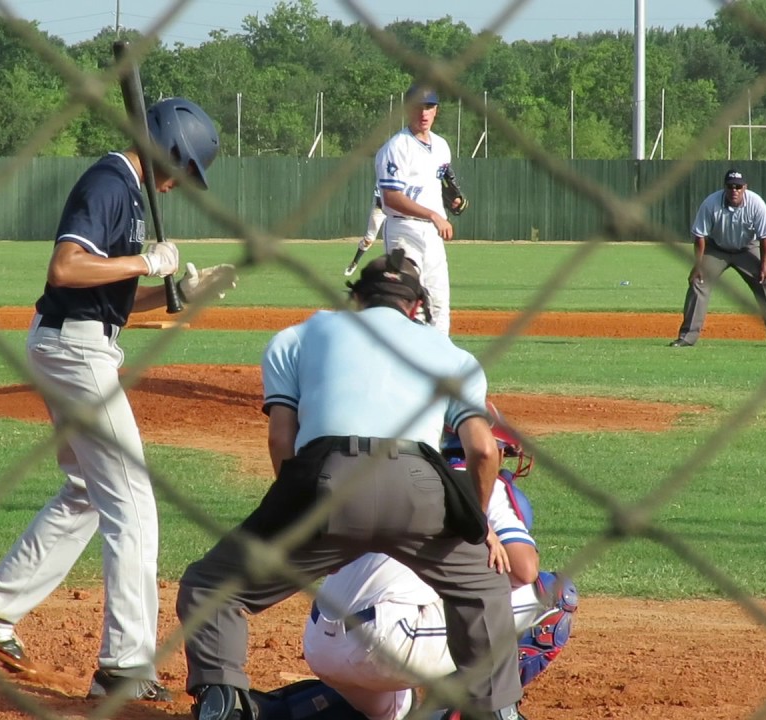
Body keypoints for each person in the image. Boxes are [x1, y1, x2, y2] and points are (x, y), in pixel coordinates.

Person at [0, 97, 235, 703]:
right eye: (181, 169)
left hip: (80, 343)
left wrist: (178, 294)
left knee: (87, 493)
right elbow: (66, 268)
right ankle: (124, 669)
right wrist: (144, 260)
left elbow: (112, 305)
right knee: (133, 504)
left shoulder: (129, 193)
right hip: (75, 353)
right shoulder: (109, 183)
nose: (178, 185)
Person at [177, 249, 529, 720]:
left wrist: (300, 512)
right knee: (484, 591)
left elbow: (282, 437)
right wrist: (476, 523)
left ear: (356, 298)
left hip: (327, 478)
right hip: (421, 485)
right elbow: (484, 451)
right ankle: (498, 713)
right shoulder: (448, 352)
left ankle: (220, 705)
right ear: (415, 306)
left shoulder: (300, 335)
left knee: (209, 585)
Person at [297, 410, 576, 720]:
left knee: (398, 711)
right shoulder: (480, 483)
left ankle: (281, 710)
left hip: (320, 642)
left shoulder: (388, 472)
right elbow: (525, 570)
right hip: (386, 642)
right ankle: (476, 710)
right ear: (489, 449)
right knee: (554, 596)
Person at [374, 84, 466, 335]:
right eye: (418, 107)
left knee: (438, 304)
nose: (423, 113)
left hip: (433, 235)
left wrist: (450, 201)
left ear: (436, 110)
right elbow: (391, 198)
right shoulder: (396, 148)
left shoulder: (442, 146)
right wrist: (433, 214)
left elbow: (439, 183)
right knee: (405, 301)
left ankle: (438, 364)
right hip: (403, 231)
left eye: (429, 107)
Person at [670, 169, 766, 348]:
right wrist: (698, 265)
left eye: (738, 186)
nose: (734, 190)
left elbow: (765, 237)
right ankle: (687, 337)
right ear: (724, 187)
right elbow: (699, 236)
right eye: (730, 186)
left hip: (747, 248)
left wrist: (764, 266)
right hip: (717, 248)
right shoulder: (711, 203)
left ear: (745, 188)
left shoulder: (756, 203)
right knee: (699, 281)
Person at [344, 187, 386, 276]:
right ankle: (354, 263)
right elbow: (379, 201)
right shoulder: (382, 178)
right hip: (380, 208)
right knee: (369, 239)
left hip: (395, 210)